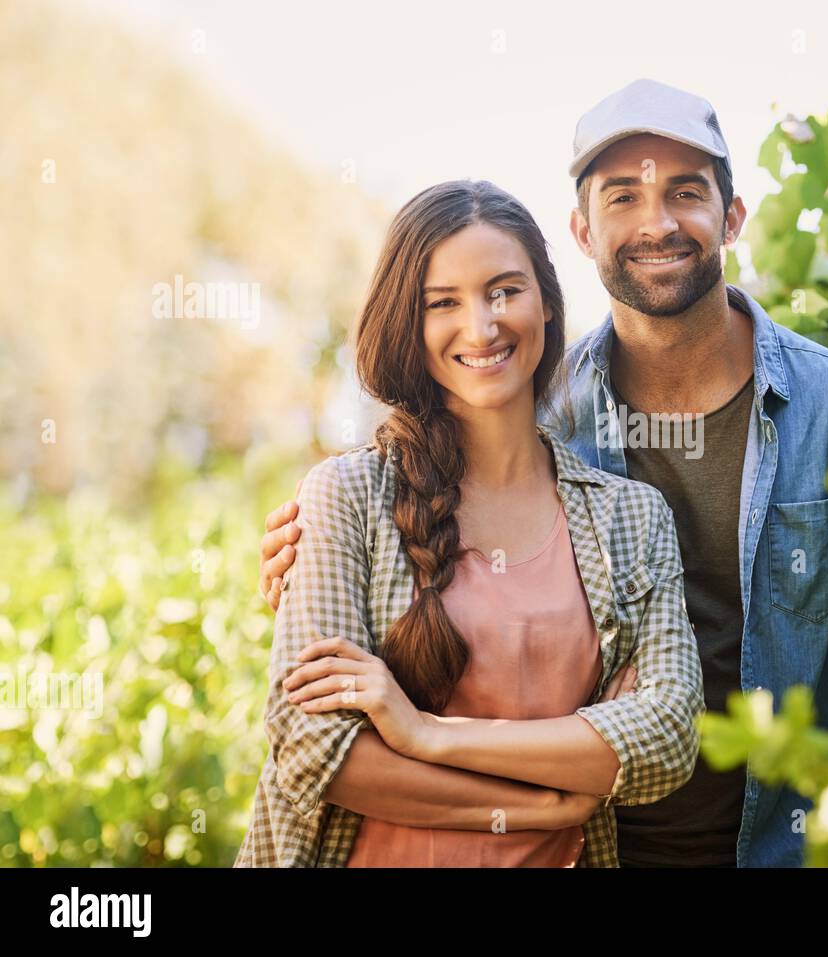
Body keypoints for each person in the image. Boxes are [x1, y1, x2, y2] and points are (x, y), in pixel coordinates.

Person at [260, 79, 828, 867]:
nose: (656, 222)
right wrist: (316, 552)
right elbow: (329, 708)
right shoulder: (527, 409)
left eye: (686, 192)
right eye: (624, 197)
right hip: (588, 848)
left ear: (733, 215)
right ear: (583, 232)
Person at [236, 179, 703, 867]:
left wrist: (425, 734)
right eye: (443, 303)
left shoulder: (629, 517)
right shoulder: (347, 497)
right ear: (409, 323)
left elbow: (665, 739)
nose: (481, 326)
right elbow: (315, 750)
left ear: (546, 302)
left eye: (505, 290)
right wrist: (552, 800)